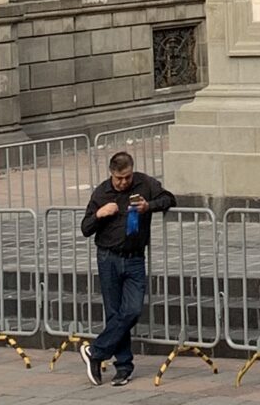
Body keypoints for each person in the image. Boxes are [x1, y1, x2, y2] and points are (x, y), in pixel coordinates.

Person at [80, 151, 176, 386]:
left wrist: (148, 206)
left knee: (131, 310)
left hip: (134, 258)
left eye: (127, 177)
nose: (123, 182)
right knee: (114, 312)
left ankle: (95, 351)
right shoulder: (102, 192)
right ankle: (123, 366)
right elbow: (85, 227)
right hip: (108, 257)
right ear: (111, 174)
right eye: (119, 178)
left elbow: (169, 199)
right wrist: (100, 214)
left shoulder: (145, 183)